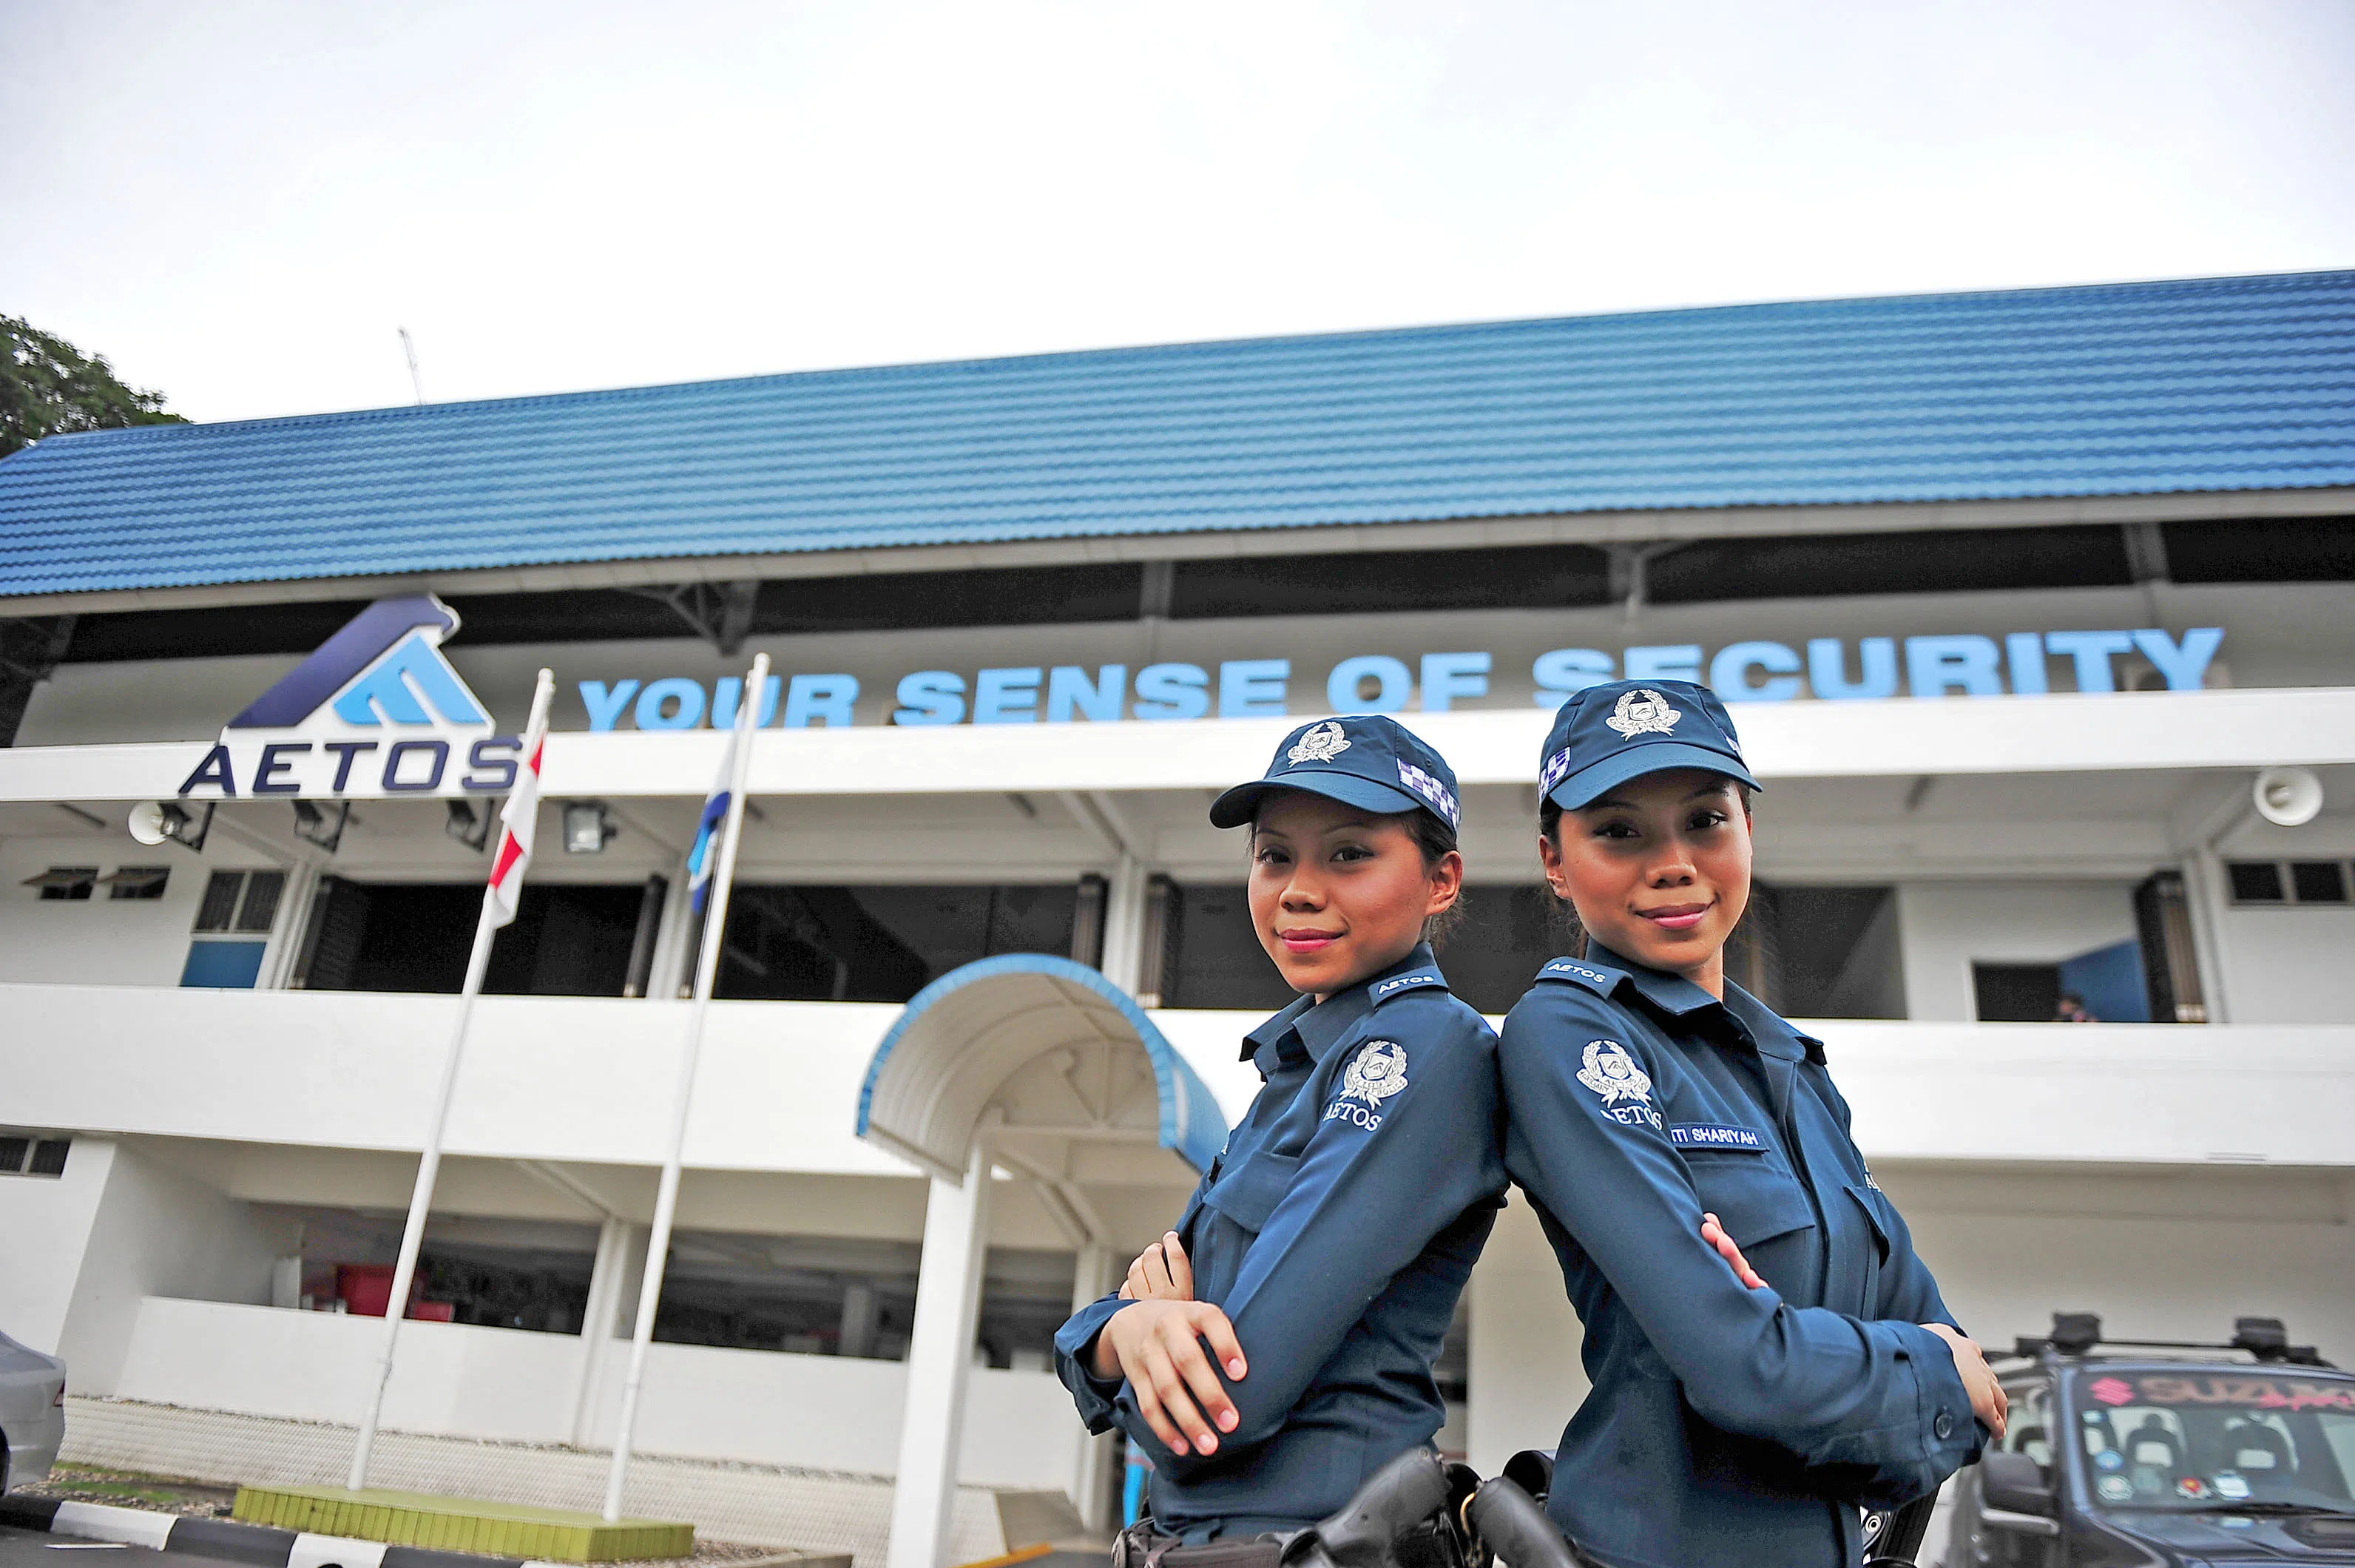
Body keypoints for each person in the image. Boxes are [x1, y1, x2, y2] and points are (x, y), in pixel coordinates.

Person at [1496, 679, 2007, 1568]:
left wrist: (1829, 1358)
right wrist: (1908, 1369)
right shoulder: (1570, 1033)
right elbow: (1738, 1367)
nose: (1672, 862)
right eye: (1618, 831)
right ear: (1553, 858)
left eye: (1705, 820)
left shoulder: (1794, 1068)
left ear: (1748, 830)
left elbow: (1968, 1381)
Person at [1053, 714, 1507, 1554]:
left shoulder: (1423, 1051)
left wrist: (1130, 1328)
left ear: (1441, 879)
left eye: (1347, 853)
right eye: (1274, 856)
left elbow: (1219, 1408)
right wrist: (1125, 1328)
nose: (1298, 888)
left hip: (1321, 1542)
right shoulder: (1293, 1068)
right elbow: (1149, 1358)